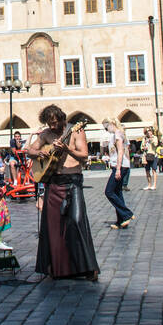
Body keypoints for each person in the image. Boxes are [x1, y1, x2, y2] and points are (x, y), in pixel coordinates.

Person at [28, 105, 99, 281]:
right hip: (53, 182)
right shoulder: (45, 134)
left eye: (55, 123)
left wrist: (67, 150)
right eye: (49, 123)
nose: (53, 127)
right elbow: (29, 150)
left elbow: (84, 156)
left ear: (61, 118)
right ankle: (58, 269)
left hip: (73, 181)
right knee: (53, 227)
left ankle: (88, 268)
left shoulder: (75, 131)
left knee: (76, 221)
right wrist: (41, 154)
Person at [101, 119, 134, 229]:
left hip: (120, 166)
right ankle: (121, 221)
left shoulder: (118, 134)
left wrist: (118, 168)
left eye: (106, 127)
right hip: (120, 165)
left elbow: (121, 151)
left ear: (112, 124)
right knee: (117, 192)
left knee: (109, 191)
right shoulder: (116, 134)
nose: (106, 129)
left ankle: (126, 214)